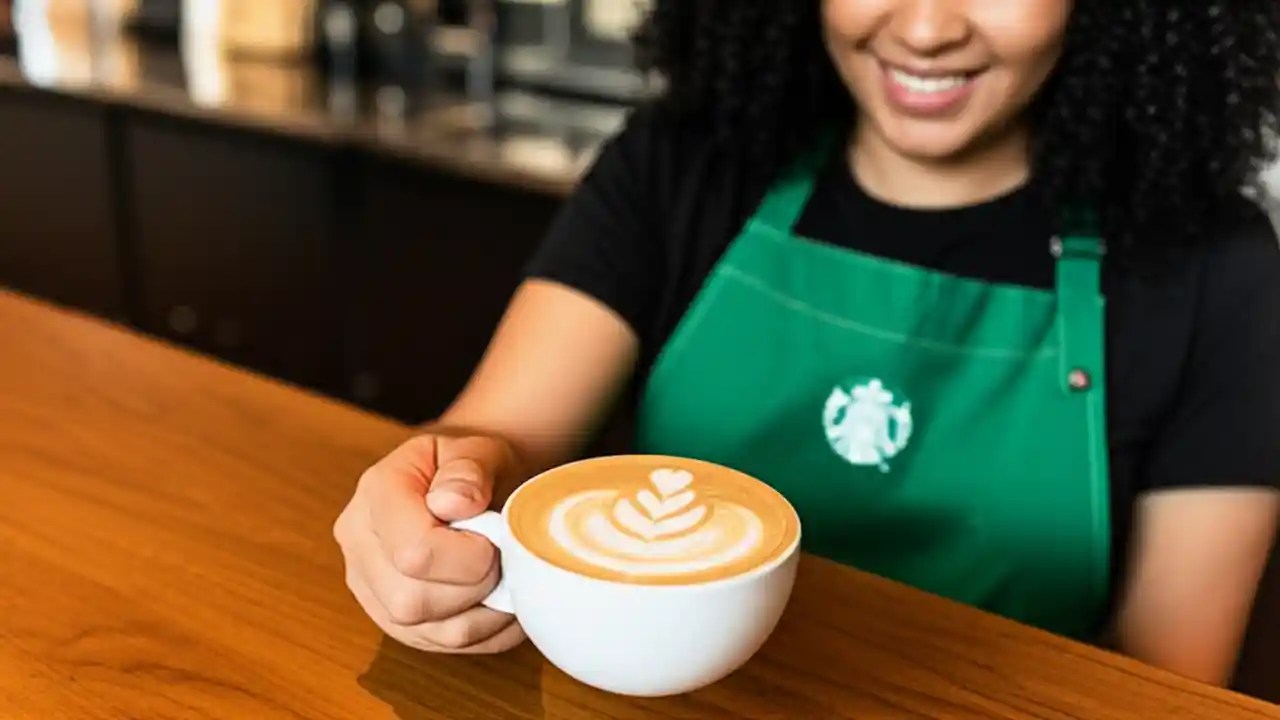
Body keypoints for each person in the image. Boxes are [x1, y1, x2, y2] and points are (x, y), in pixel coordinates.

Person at [333, 0, 1280, 686]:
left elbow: (1168, 685)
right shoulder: (683, 165)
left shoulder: (1212, 265)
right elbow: (501, 435)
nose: (924, 28)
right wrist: (438, 497)